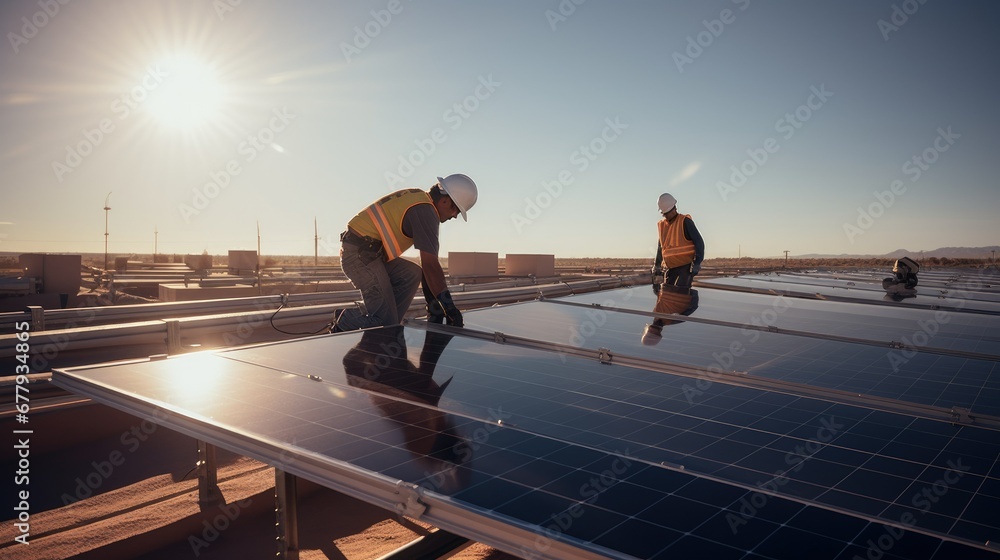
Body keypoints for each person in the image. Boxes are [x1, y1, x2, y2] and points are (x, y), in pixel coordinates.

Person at [332, 174, 478, 332]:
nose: (455, 216)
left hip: (369, 254)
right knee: (384, 323)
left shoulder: (419, 198)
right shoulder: (426, 212)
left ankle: (388, 321)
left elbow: (426, 269)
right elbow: (430, 265)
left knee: (412, 273)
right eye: (455, 210)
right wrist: (449, 308)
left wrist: (433, 306)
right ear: (444, 201)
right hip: (359, 258)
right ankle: (348, 321)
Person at [651, 192, 705, 292]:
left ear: (674, 208)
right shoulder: (662, 226)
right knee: (667, 295)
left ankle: (689, 306)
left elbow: (699, 243)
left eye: (667, 213)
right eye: (664, 214)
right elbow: (660, 248)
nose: (665, 216)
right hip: (670, 268)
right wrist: (657, 265)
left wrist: (697, 263)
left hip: (685, 268)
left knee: (680, 295)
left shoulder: (685, 222)